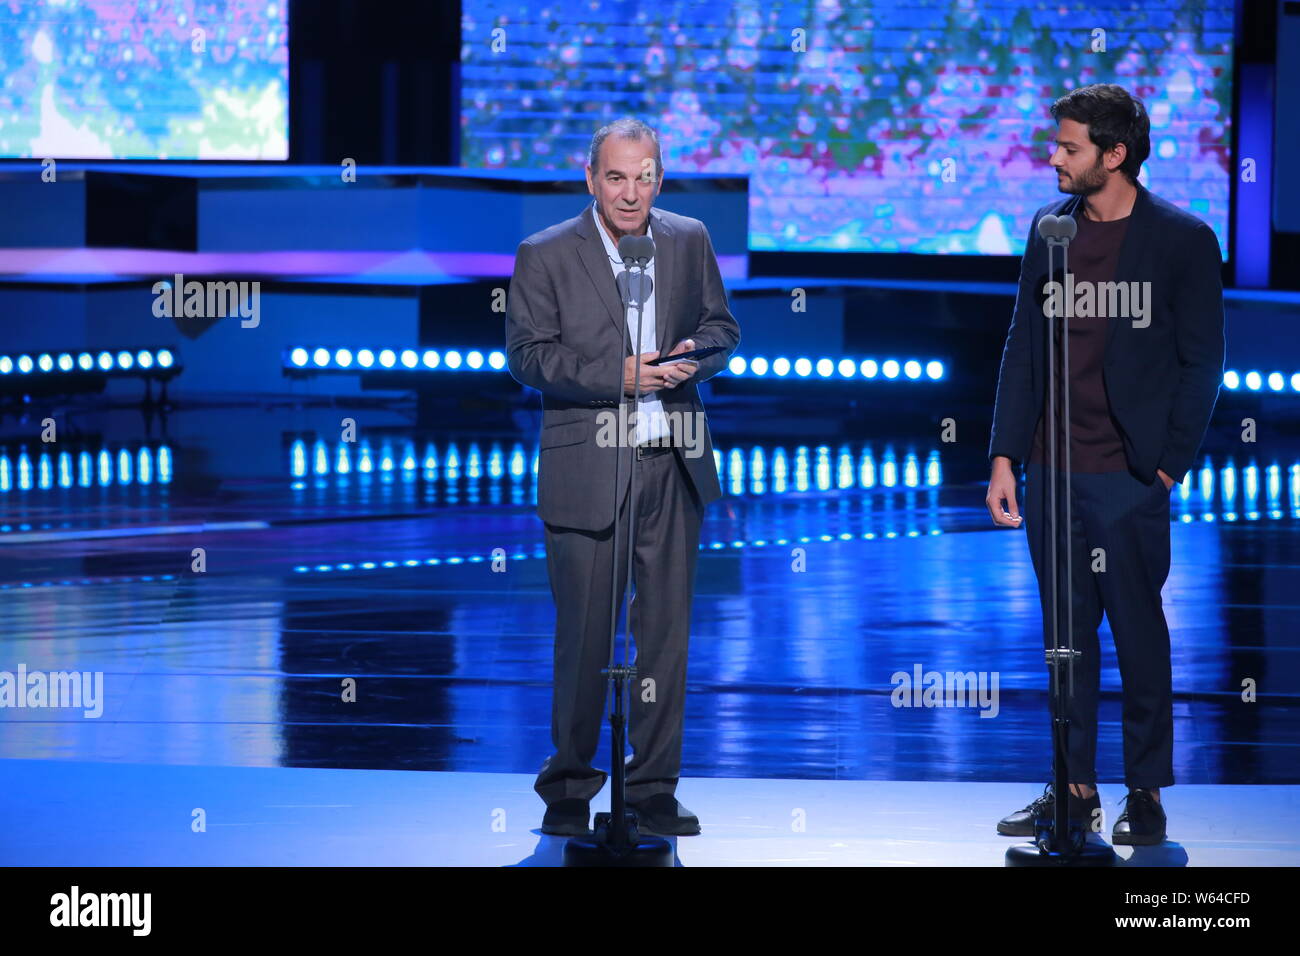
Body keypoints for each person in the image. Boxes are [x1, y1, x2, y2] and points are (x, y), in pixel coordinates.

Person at [985, 84, 1224, 845]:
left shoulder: (1182, 240)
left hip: (1127, 476)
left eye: (1069, 147)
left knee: (1138, 632)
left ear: (1114, 156)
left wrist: (1164, 467)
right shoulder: (1049, 230)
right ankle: (1073, 789)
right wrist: (1003, 457)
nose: (1052, 158)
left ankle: (1146, 791)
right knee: (1065, 637)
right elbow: (1023, 344)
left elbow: (1202, 363)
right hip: (1051, 471)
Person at [504, 117, 740, 837]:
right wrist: (621, 375)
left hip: (672, 459)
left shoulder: (688, 238)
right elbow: (528, 358)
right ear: (591, 179)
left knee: (665, 635)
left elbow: (723, 329)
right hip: (587, 464)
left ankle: (654, 786)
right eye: (616, 176)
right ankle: (570, 785)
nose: (631, 192)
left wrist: (692, 354)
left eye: (644, 177)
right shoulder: (545, 254)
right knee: (585, 635)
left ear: (659, 179)